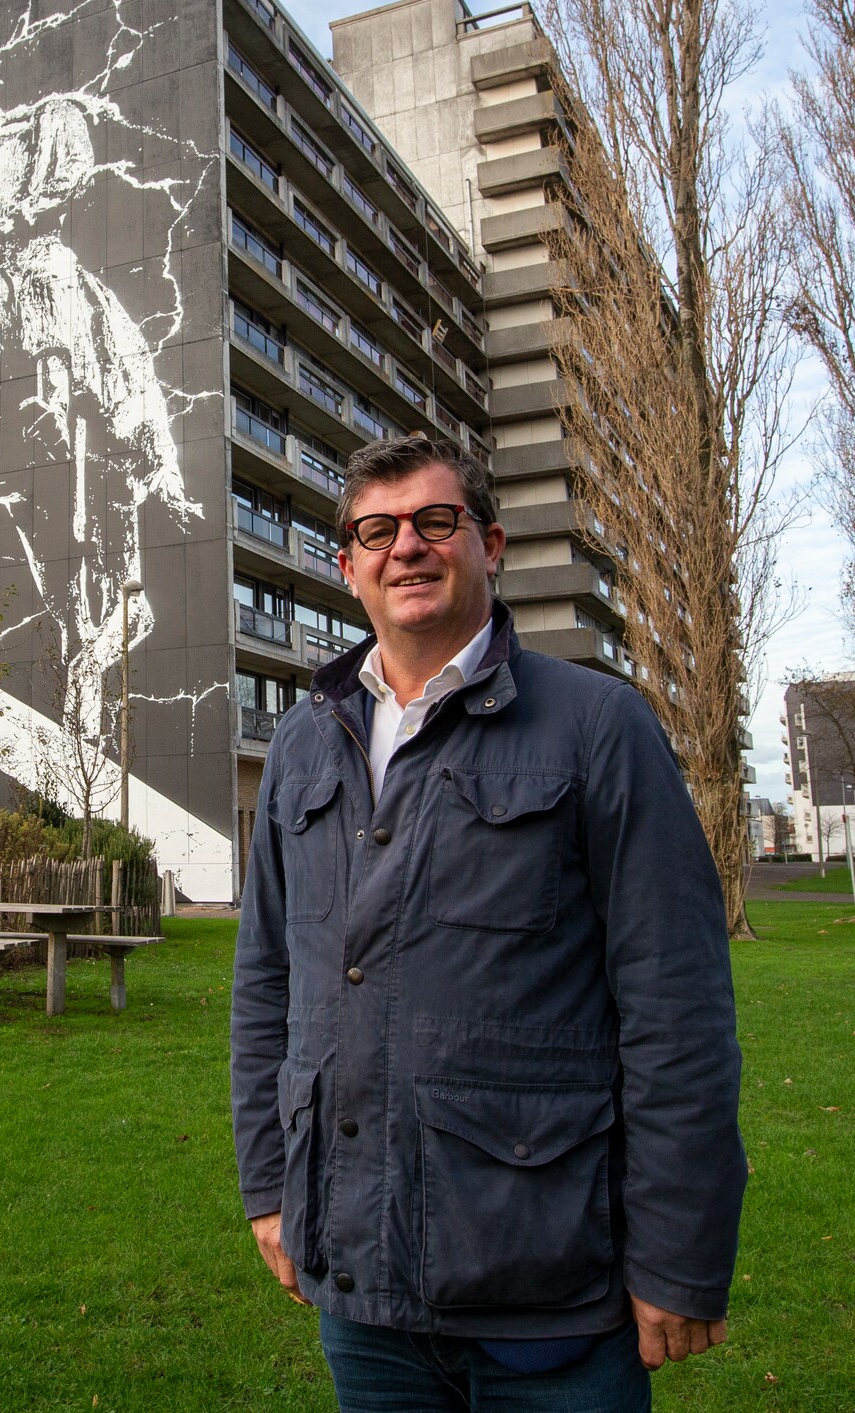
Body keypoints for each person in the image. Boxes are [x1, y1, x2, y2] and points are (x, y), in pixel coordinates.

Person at [231, 435, 747, 1412]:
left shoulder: (597, 728)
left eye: (435, 521)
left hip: (546, 1287)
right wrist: (269, 1190)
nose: (406, 549)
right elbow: (264, 982)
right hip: (360, 1291)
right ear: (346, 566)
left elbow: (675, 1006)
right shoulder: (303, 743)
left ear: (490, 544)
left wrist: (678, 1253)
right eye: (375, 531)